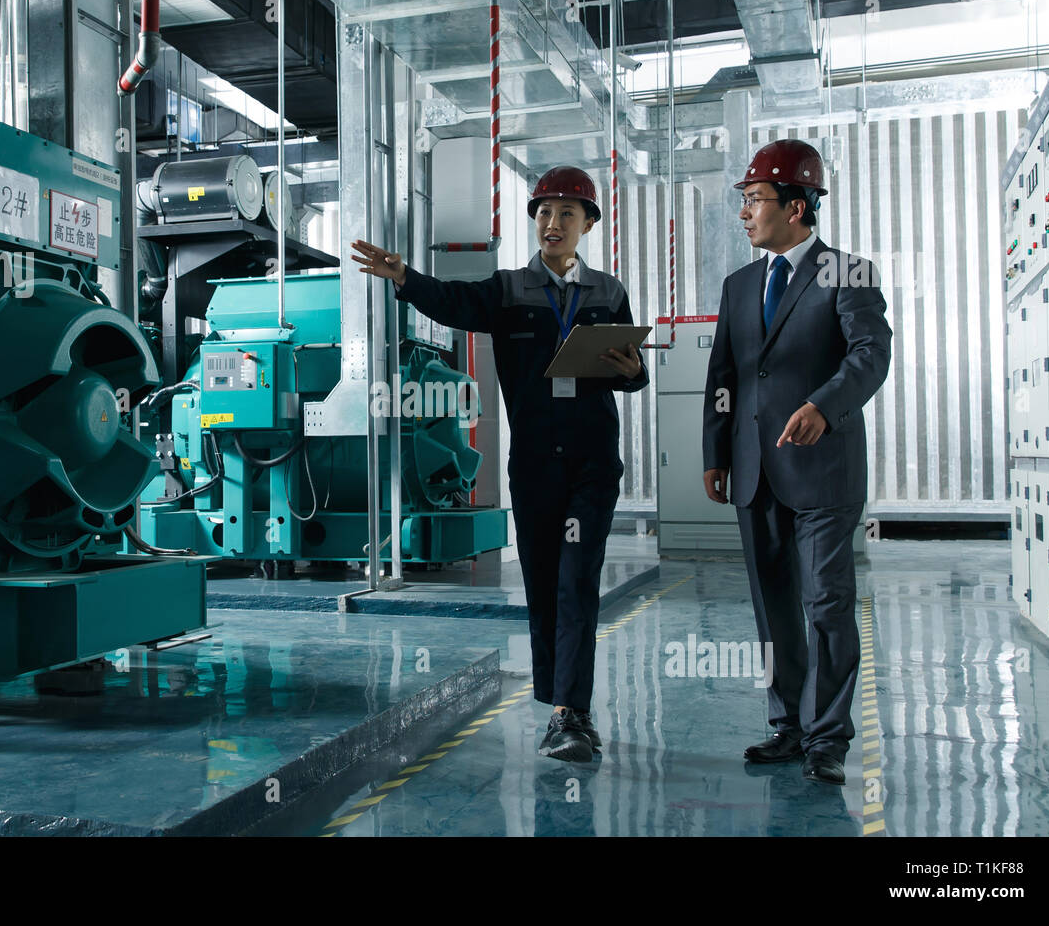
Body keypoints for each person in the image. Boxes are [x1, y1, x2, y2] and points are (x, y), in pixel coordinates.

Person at [352, 166, 648, 763]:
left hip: (593, 459)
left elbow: (632, 371)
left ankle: (573, 712)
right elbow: (453, 301)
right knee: (543, 584)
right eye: (543, 211)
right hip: (536, 464)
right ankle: (559, 706)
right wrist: (405, 277)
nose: (552, 221)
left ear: (588, 223)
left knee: (576, 583)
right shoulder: (509, 289)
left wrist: (633, 372)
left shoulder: (609, 293)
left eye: (567, 212)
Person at [702, 139, 892, 785]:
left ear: (798, 206)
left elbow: (870, 354)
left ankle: (828, 737)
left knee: (826, 603)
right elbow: (724, 374)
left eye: (754, 200)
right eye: (745, 201)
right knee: (773, 607)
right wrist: (715, 450)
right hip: (754, 471)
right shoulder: (739, 285)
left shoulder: (849, 271)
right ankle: (788, 725)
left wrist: (824, 405)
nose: (745, 213)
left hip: (823, 471)